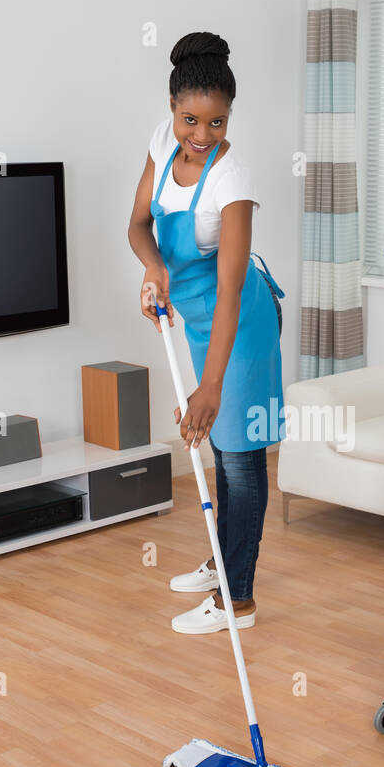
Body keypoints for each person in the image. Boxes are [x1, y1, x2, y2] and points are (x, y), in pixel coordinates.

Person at [127, 31, 285, 635]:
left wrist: (211, 386)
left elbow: (227, 290)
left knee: (242, 460)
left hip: (239, 323)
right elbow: (138, 225)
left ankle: (237, 600)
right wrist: (156, 271)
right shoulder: (162, 146)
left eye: (216, 122)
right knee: (221, 451)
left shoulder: (232, 180)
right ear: (172, 110)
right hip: (196, 322)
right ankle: (223, 562)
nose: (201, 134)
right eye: (191, 118)